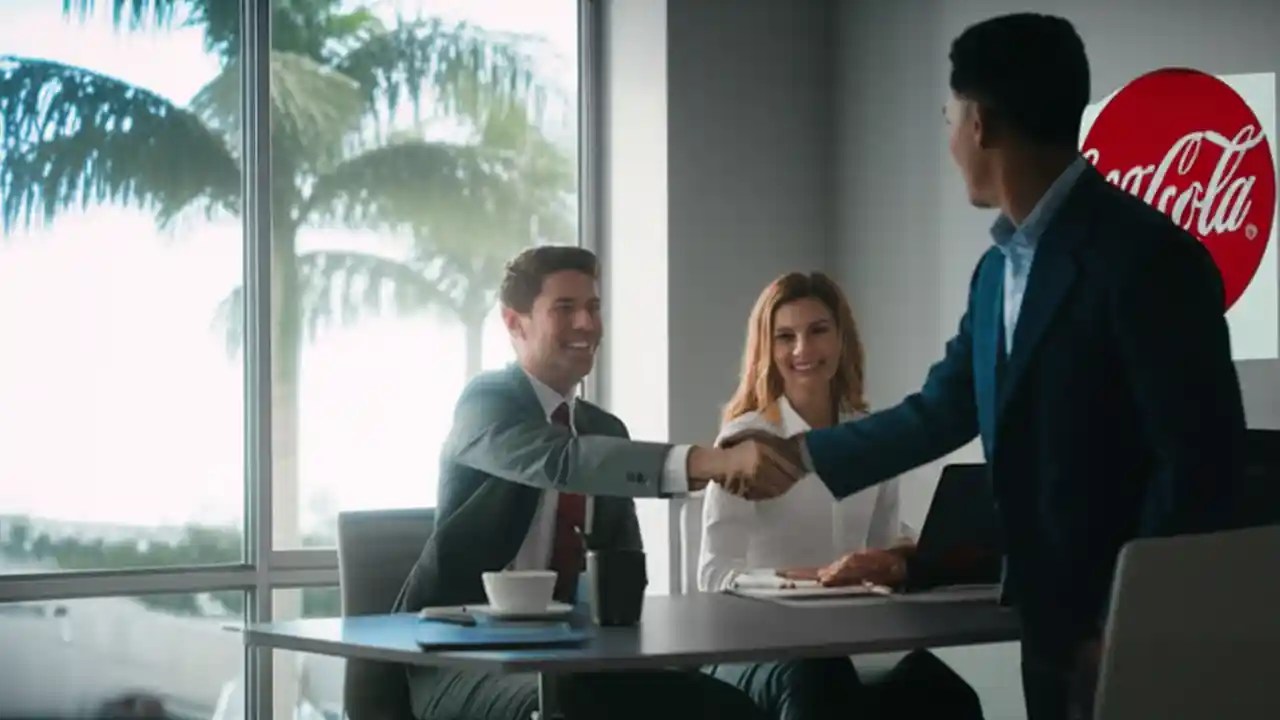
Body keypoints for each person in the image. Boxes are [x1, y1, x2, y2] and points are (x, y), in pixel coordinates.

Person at [723, 13, 1247, 720]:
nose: (949, 141)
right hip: (1050, 625)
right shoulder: (997, 273)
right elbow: (942, 411)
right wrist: (799, 454)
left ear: (981, 124)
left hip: (1130, 633)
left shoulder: (1149, 257)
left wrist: (1133, 625)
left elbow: (1198, 463)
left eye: (949, 118)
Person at [393, 245, 793, 720]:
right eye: (565, 308)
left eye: (594, 307)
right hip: (461, 657)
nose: (586, 323)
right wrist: (706, 462)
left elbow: (622, 568)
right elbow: (561, 461)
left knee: (728, 707)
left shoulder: (605, 430)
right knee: (567, 704)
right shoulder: (485, 405)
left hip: (572, 653)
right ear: (515, 323)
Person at [698, 272, 984, 720]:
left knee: (947, 693)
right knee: (820, 679)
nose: (803, 349)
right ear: (767, 349)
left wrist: (898, 560)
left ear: (841, 338)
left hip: (853, 645)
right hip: (755, 647)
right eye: (785, 337)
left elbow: (883, 548)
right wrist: (795, 579)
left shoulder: (872, 438)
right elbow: (713, 574)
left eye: (818, 331)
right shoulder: (744, 444)